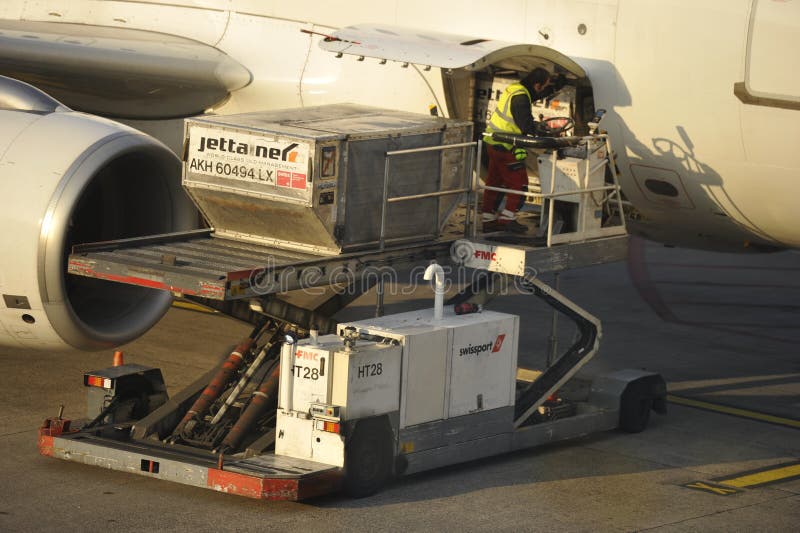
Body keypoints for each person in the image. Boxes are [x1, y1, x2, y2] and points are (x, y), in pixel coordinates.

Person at [482, 67, 555, 233]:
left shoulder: (516, 89)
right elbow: (526, 125)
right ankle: (507, 220)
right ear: (537, 85)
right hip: (506, 146)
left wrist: (554, 88)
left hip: (493, 143)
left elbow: (534, 95)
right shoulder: (521, 99)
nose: (542, 90)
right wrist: (544, 130)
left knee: (494, 182)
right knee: (519, 183)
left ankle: (488, 219)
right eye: (544, 86)